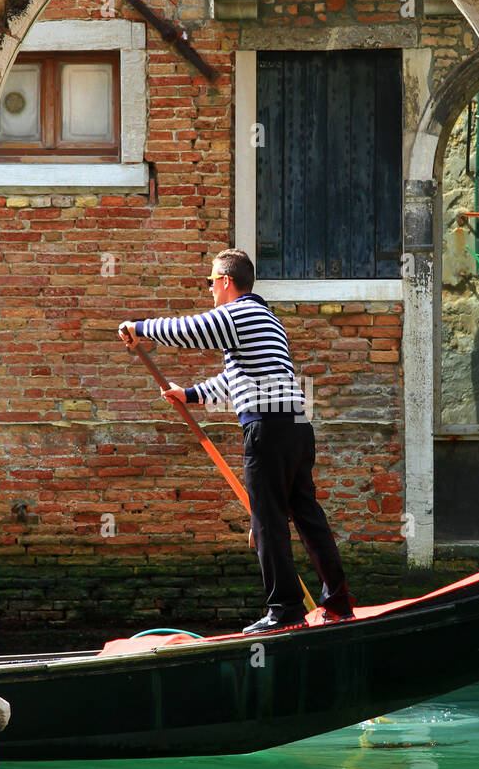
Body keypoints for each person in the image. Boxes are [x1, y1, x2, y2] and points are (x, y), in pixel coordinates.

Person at [118, 248, 354, 635]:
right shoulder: (267, 320)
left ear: (226, 282)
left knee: (268, 521)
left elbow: (188, 331)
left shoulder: (236, 314)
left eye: (211, 282)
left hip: (268, 431)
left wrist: (139, 327)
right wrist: (191, 393)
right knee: (307, 515)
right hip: (296, 428)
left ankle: (285, 610)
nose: (209, 290)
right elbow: (236, 378)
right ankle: (338, 603)